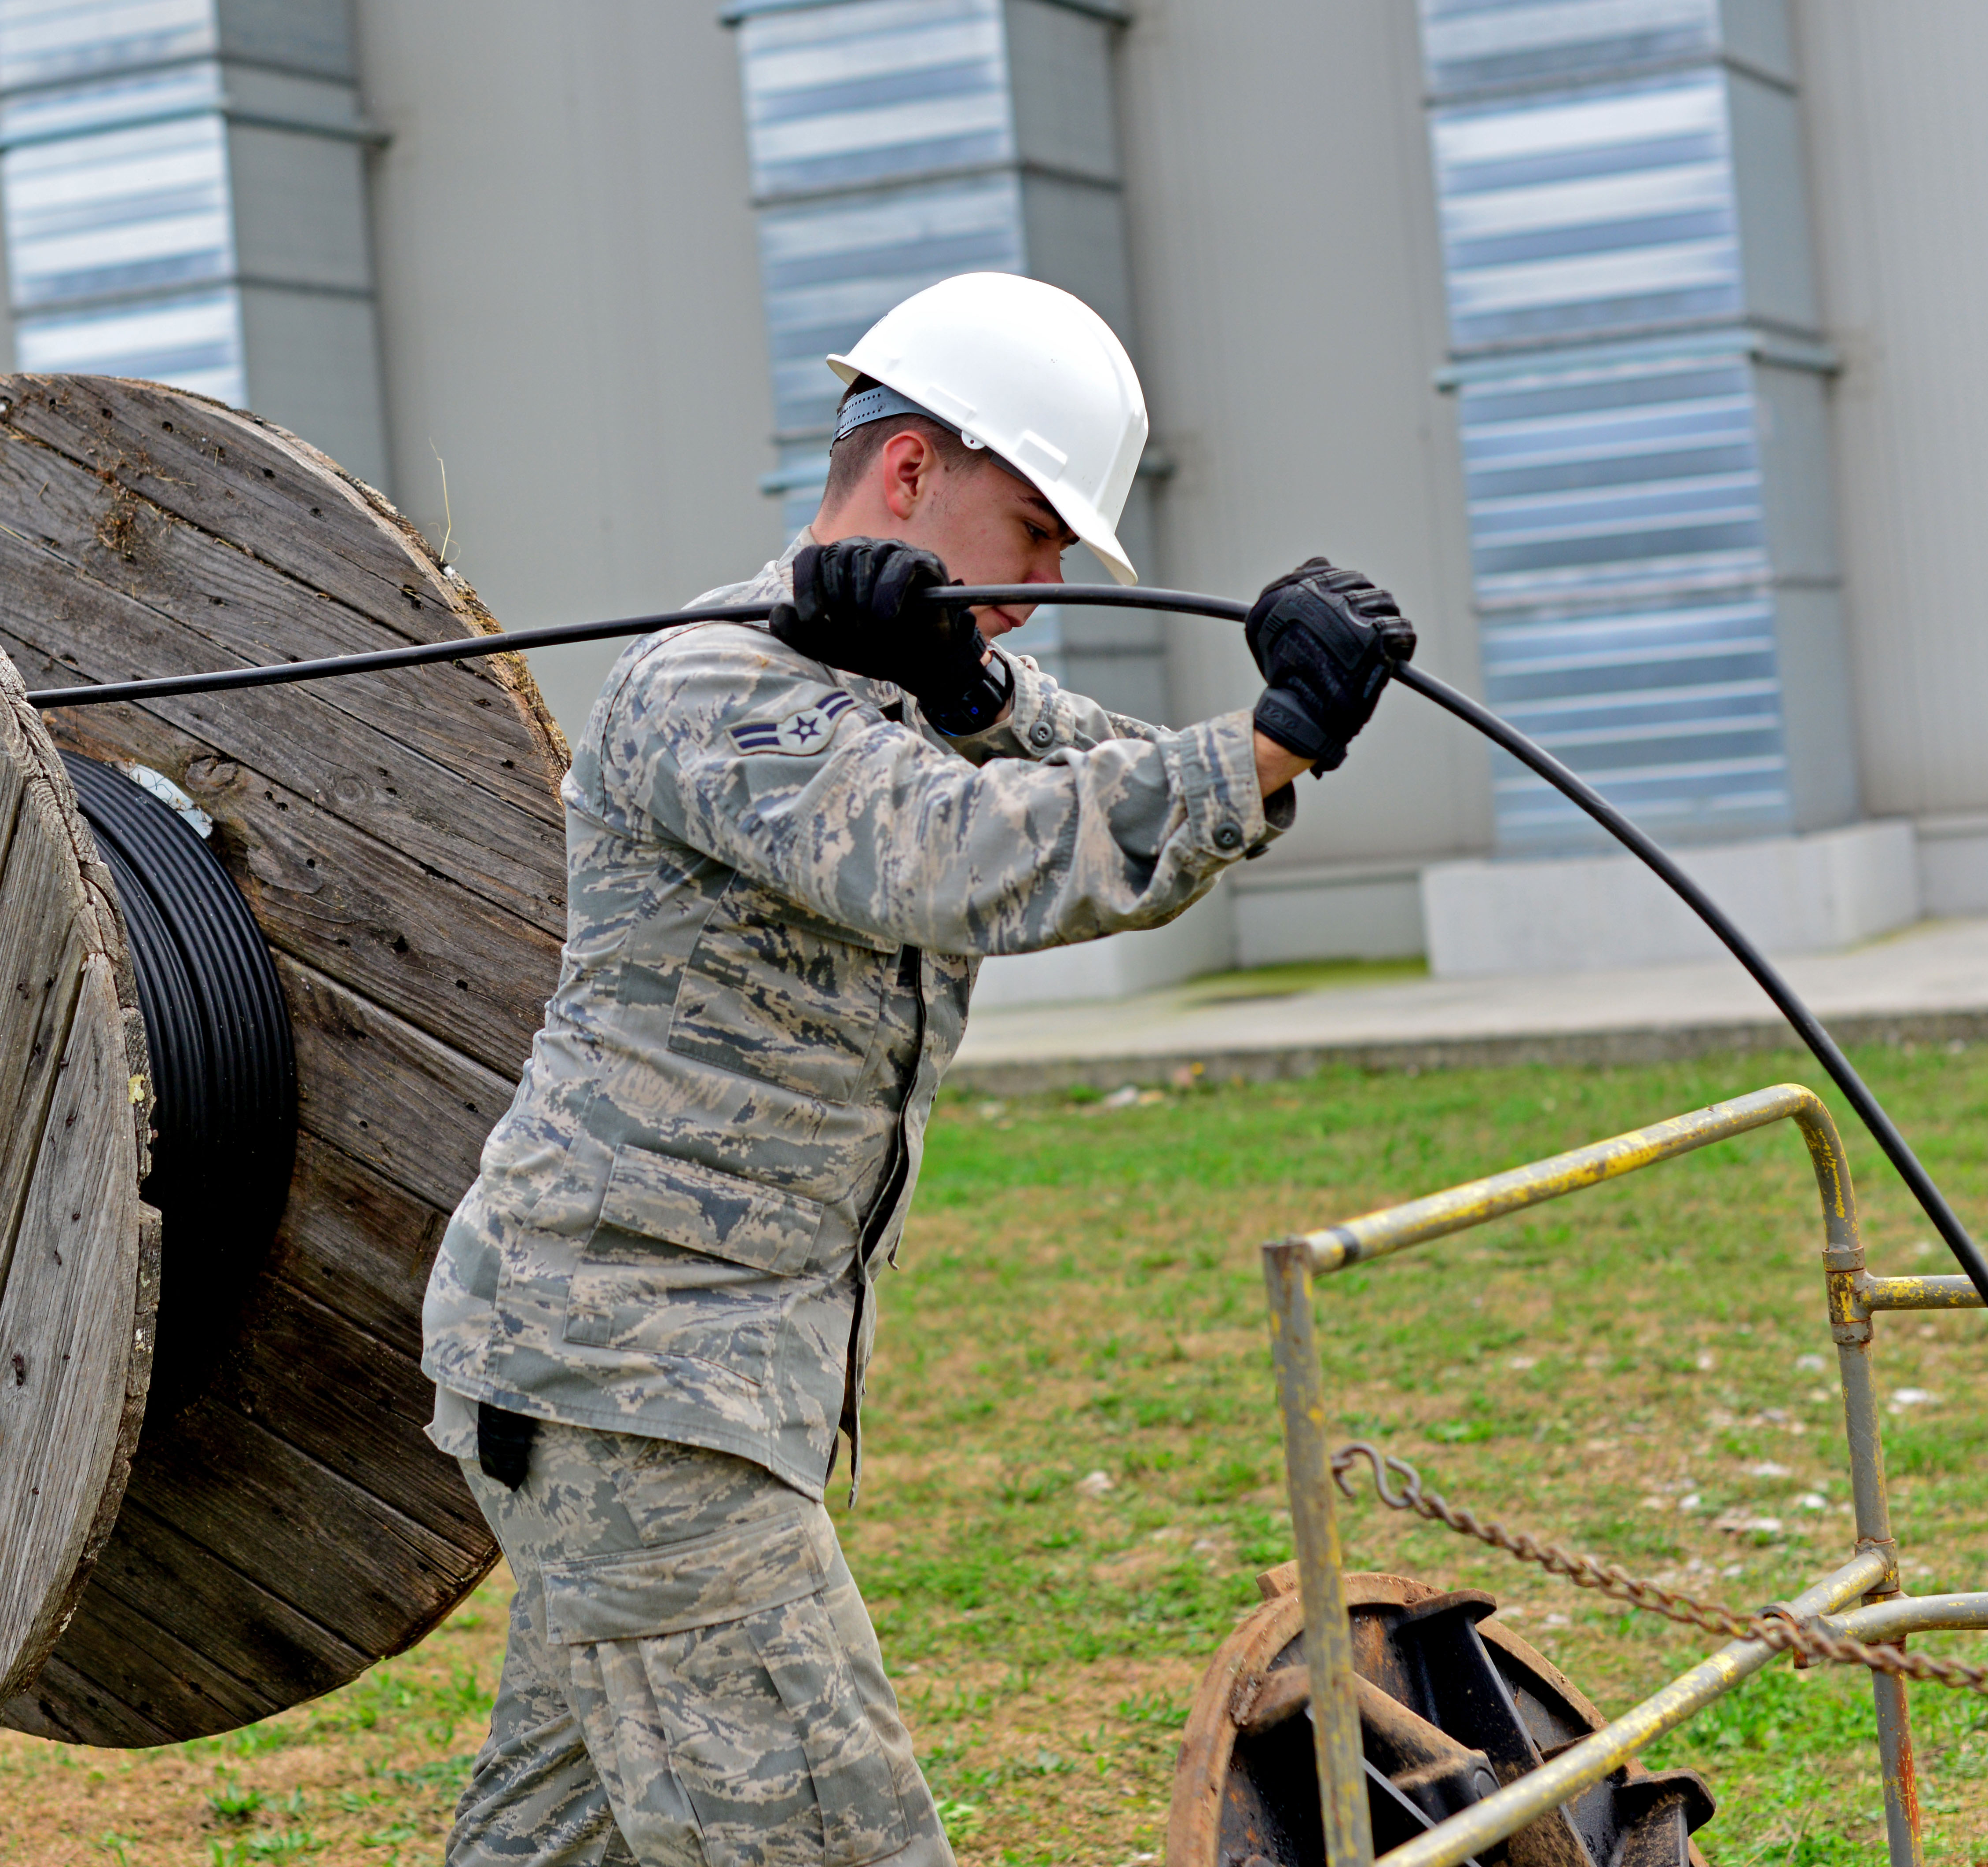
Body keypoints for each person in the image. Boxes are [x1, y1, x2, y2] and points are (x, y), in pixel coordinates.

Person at [421, 272, 1415, 1867]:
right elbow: (957, 859)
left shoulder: (906, 691)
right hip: (635, 1385)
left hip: (668, 1380)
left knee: (563, 1843)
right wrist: (1268, 739)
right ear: (908, 472)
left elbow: (1084, 772)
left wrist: (1008, 694)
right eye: (1030, 532)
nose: (1039, 584)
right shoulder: (709, 688)